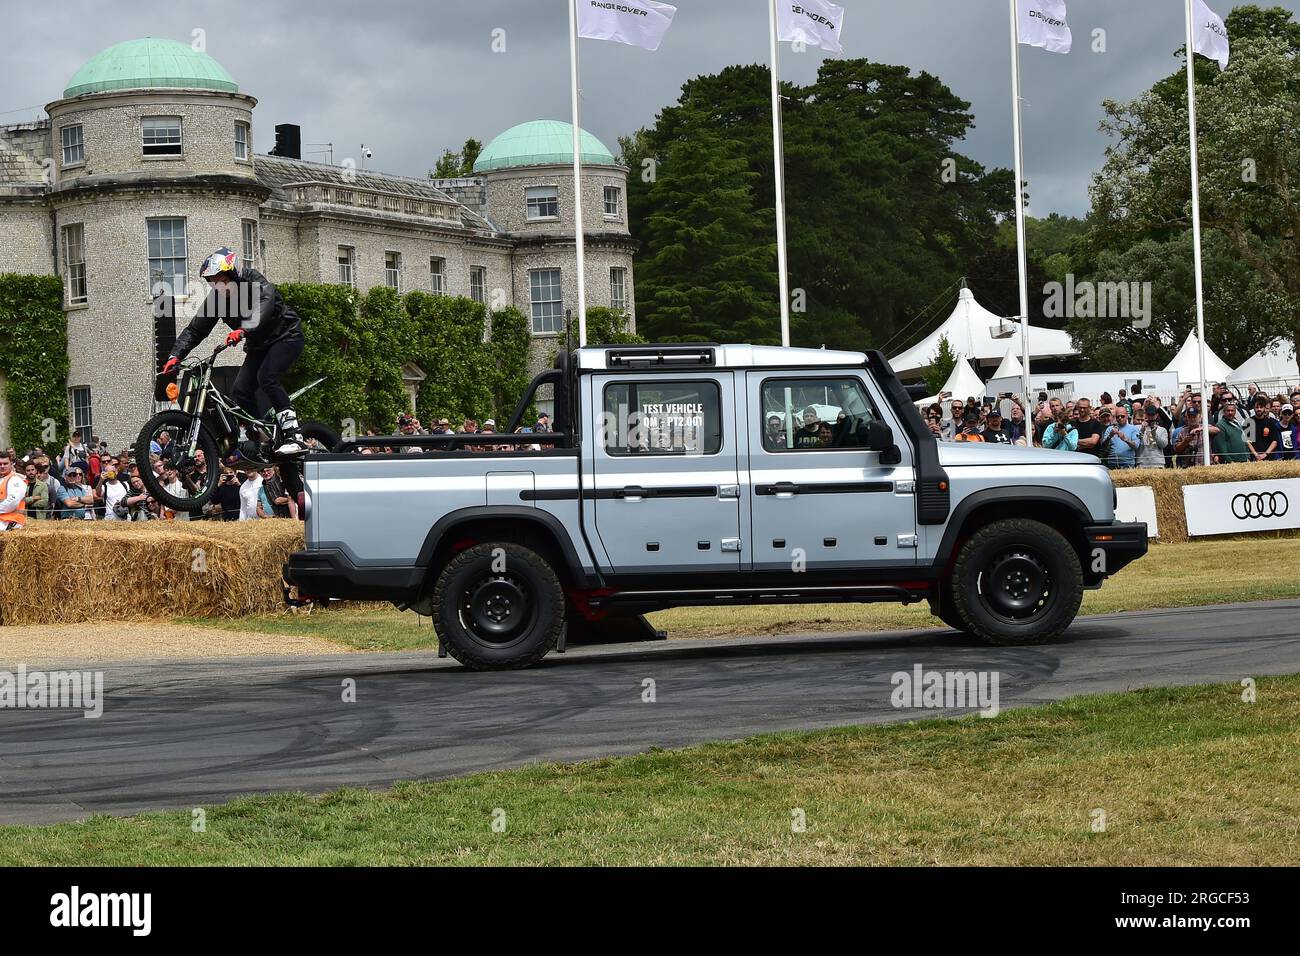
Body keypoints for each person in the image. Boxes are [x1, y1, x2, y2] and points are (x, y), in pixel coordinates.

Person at [161, 247, 308, 456]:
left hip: (286, 337)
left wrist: (244, 329)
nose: (218, 287)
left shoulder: (253, 281)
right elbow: (195, 330)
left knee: (267, 377)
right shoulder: (217, 299)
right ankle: (263, 436)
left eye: (221, 280)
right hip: (259, 346)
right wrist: (175, 355)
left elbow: (264, 303)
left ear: (234, 274)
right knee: (240, 391)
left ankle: (295, 436)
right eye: (213, 282)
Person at [1247, 395, 1281, 462]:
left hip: (1269, 457)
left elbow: (1274, 442)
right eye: (1257, 407)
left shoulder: (1271, 422)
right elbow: (1248, 442)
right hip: (1254, 458)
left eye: (1261, 407)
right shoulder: (1248, 422)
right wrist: (1256, 455)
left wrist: (1265, 454)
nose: (1259, 409)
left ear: (1265, 408)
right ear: (1253, 408)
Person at [1135, 404, 1169, 468]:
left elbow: (1164, 445)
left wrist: (1154, 434)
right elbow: (1136, 443)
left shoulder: (1162, 430)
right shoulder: (1137, 428)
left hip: (1158, 463)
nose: (1150, 417)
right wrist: (1142, 430)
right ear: (1145, 414)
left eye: (1152, 415)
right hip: (1142, 463)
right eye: (1148, 414)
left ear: (1156, 415)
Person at [0, 451, 28, 530]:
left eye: (5, 464)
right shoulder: (2, 479)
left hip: (11, 521)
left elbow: (12, 503)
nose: (2, 466)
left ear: (11, 463)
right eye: (0, 464)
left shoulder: (15, 480)